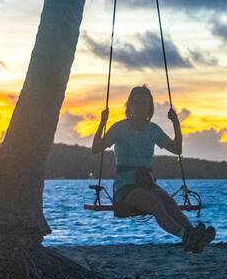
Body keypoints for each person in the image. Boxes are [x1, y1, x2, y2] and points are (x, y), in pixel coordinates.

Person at [92, 86, 216, 251]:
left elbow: (177, 149)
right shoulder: (120, 128)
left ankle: (193, 235)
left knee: (170, 203)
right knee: (155, 203)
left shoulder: (153, 130)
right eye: (136, 102)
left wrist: (176, 123)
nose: (140, 106)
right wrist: (102, 123)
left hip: (147, 184)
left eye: (144, 103)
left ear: (150, 107)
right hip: (125, 188)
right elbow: (96, 148)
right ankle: (184, 235)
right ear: (129, 106)